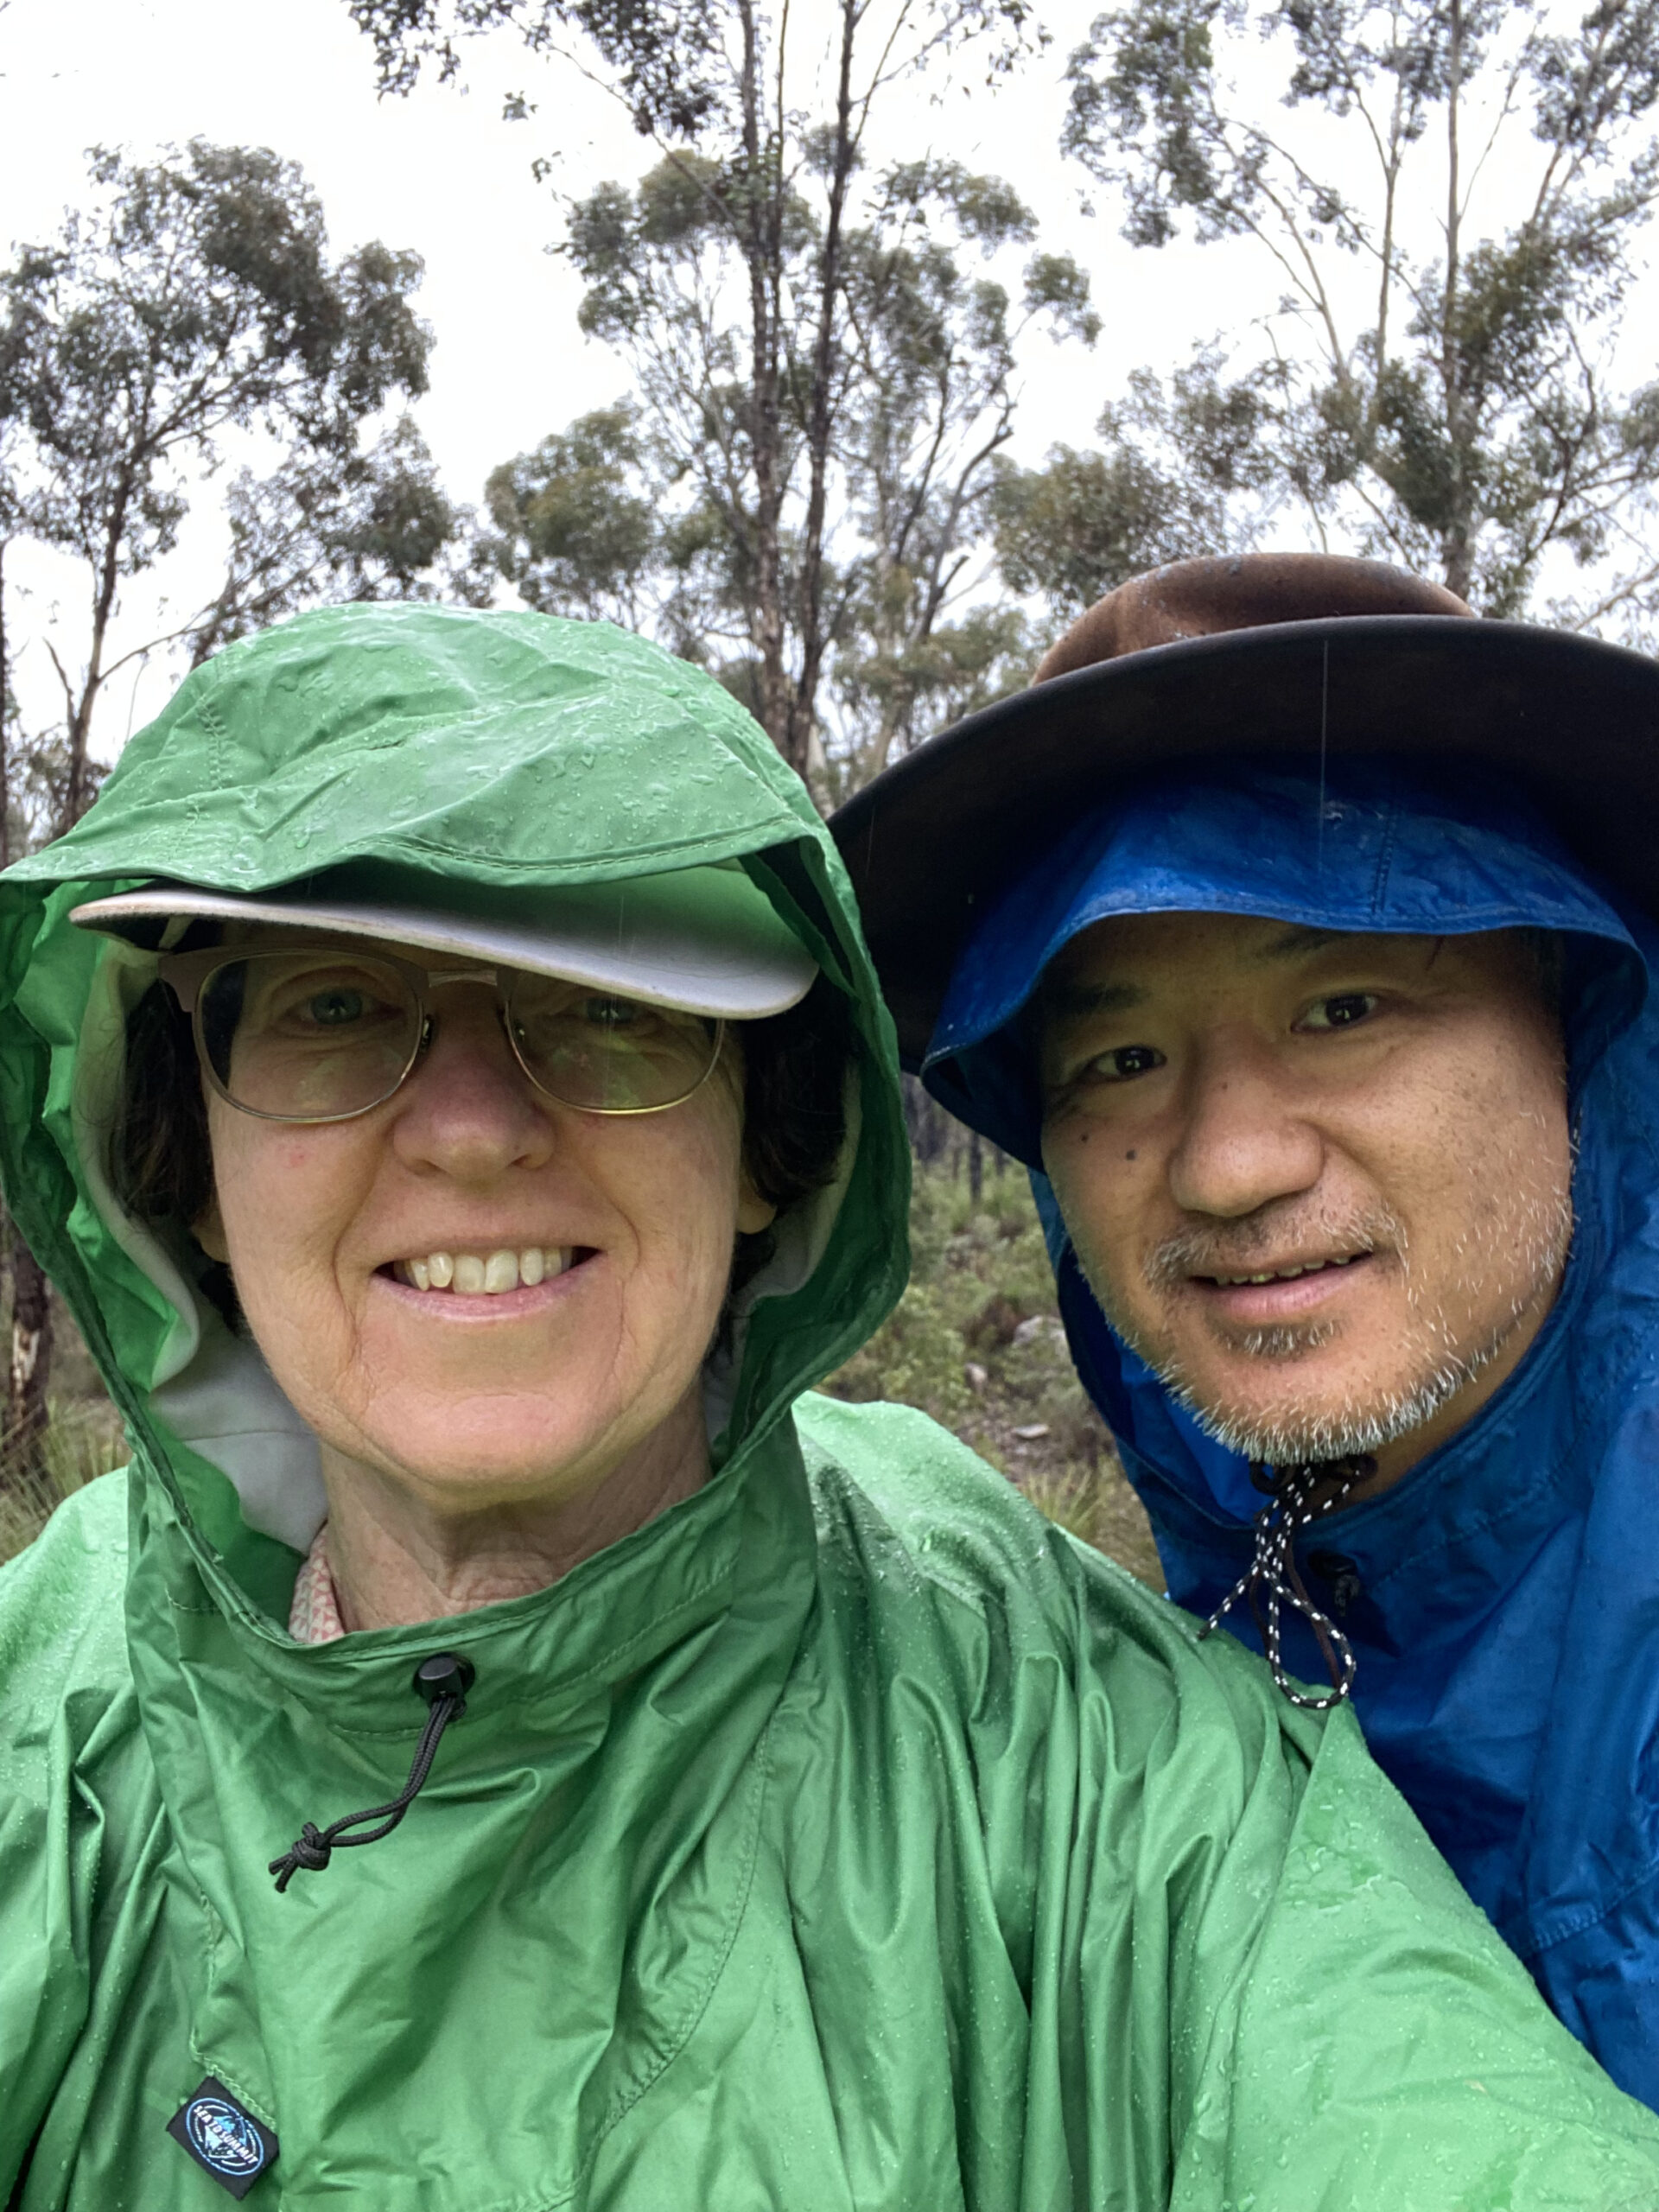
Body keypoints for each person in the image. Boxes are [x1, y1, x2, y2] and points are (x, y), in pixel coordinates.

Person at [4, 603, 1659, 2212]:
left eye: (607, 1008)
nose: (469, 1132)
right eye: (335, 1008)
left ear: (769, 1144)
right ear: (183, 1166)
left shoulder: (1101, 1766)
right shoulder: (47, 1721)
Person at [830, 550, 1659, 2114]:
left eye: (1343, 1007)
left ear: (1574, 1013)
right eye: (1122, 1055)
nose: (1223, 1163)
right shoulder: (1159, 1653)